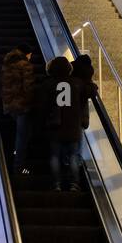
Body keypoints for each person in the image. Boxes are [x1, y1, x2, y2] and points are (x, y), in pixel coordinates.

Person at [41, 57, 86, 192]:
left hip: (55, 126)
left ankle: (56, 184)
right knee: (73, 156)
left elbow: (42, 106)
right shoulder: (77, 83)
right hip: (73, 126)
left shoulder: (48, 84)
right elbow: (90, 91)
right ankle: (74, 184)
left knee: (55, 156)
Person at [0, 44, 38, 175]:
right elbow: (29, 88)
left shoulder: (7, 65)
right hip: (22, 106)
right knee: (22, 136)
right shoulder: (25, 65)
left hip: (9, 105)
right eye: (30, 55)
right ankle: (19, 167)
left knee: (16, 135)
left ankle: (10, 162)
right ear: (27, 54)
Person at [70, 54, 97, 129]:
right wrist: (93, 86)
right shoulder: (84, 85)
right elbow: (91, 92)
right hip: (79, 119)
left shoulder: (68, 79)